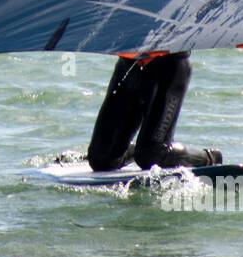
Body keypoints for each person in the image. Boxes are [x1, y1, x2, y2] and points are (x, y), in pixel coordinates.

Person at [87, 52, 223, 171]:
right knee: (101, 160)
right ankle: (139, 148)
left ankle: (209, 157)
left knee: (151, 157)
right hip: (130, 67)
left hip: (169, 68)